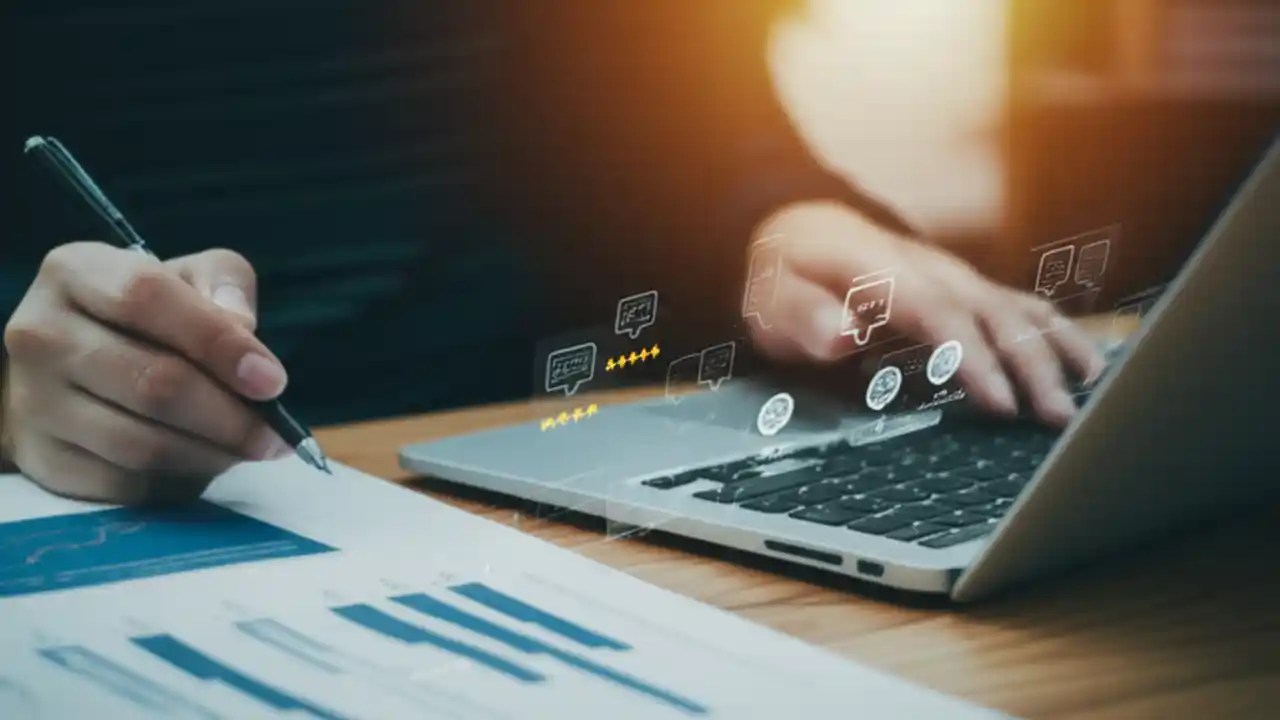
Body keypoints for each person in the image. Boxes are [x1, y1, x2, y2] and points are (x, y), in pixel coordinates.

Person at [0, 1, 1103, 503]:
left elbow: (688, 116)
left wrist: (779, 221)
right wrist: (12, 398)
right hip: (115, 489)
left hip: (554, 456)